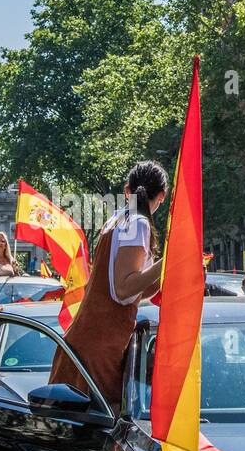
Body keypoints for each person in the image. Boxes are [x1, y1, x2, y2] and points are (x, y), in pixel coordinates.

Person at [49, 161, 167, 407]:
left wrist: (162, 278)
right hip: (102, 350)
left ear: (127, 190)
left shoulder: (117, 219)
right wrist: (168, 263)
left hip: (84, 343)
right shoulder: (138, 223)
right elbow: (124, 288)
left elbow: (123, 291)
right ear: (162, 196)